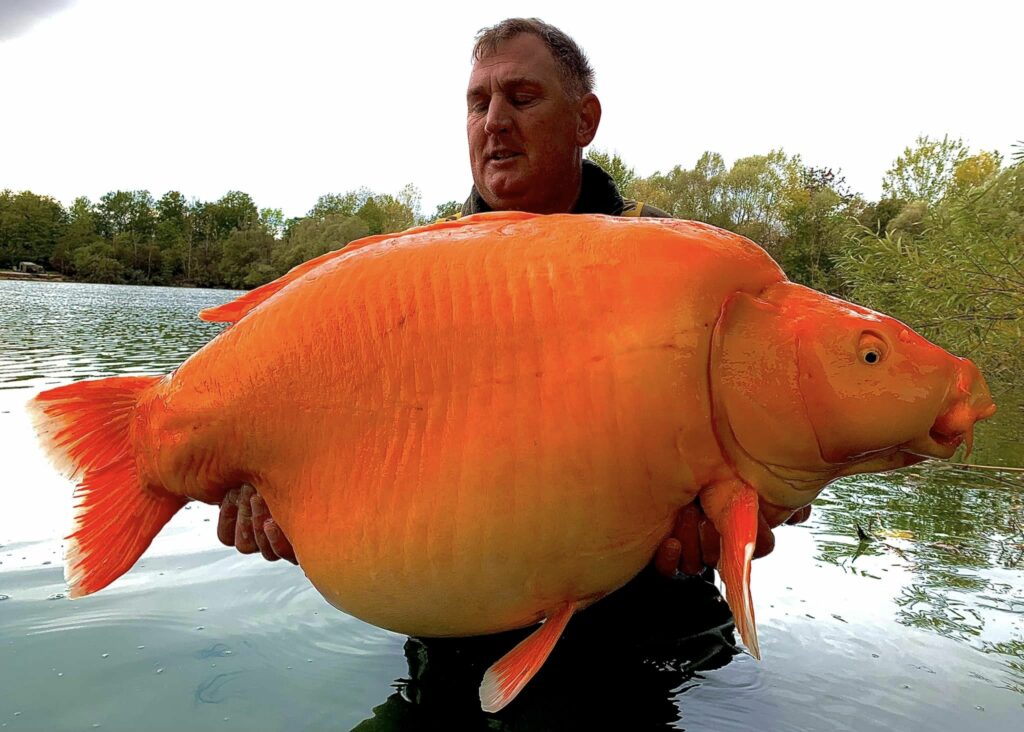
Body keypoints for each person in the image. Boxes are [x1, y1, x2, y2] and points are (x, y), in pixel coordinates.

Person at [217, 17, 809, 584]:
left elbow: (790, 434)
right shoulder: (407, 275)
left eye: (522, 98)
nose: (494, 121)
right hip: (461, 607)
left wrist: (763, 499)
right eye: (479, 104)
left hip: (657, 618)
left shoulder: (685, 264)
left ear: (585, 119)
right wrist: (287, 503)